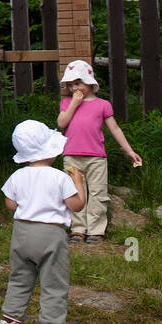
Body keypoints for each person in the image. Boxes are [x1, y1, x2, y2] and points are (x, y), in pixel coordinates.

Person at [0, 120, 87, 324]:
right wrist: (78, 182)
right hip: (51, 234)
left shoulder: (18, 176)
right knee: (53, 280)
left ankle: (11, 320)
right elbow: (76, 205)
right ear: (52, 151)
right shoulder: (60, 177)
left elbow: (11, 204)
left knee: (19, 276)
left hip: (22, 232)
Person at [56, 60, 142, 244]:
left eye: (77, 83)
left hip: (96, 158)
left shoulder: (102, 105)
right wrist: (74, 104)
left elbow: (115, 129)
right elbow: (61, 124)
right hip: (71, 157)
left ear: (89, 82)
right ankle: (78, 229)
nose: (73, 88)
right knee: (75, 193)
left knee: (98, 193)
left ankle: (95, 230)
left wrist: (129, 150)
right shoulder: (66, 103)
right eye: (70, 85)